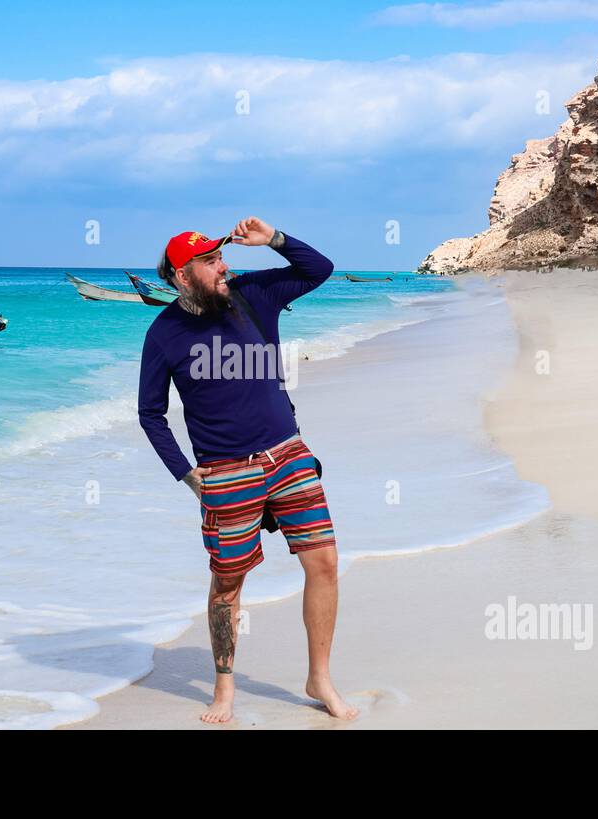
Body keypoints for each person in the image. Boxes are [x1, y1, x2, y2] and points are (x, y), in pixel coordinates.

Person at [137, 216, 358, 724]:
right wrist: (188, 476)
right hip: (225, 473)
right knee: (228, 584)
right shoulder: (164, 334)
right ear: (180, 276)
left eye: (221, 256)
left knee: (323, 562)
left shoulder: (254, 294)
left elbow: (318, 269)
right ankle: (224, 689)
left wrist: (275, 239)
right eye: (209, 262)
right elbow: (150, 414)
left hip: (289, 455)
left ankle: (319, 677)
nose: (223, 266)